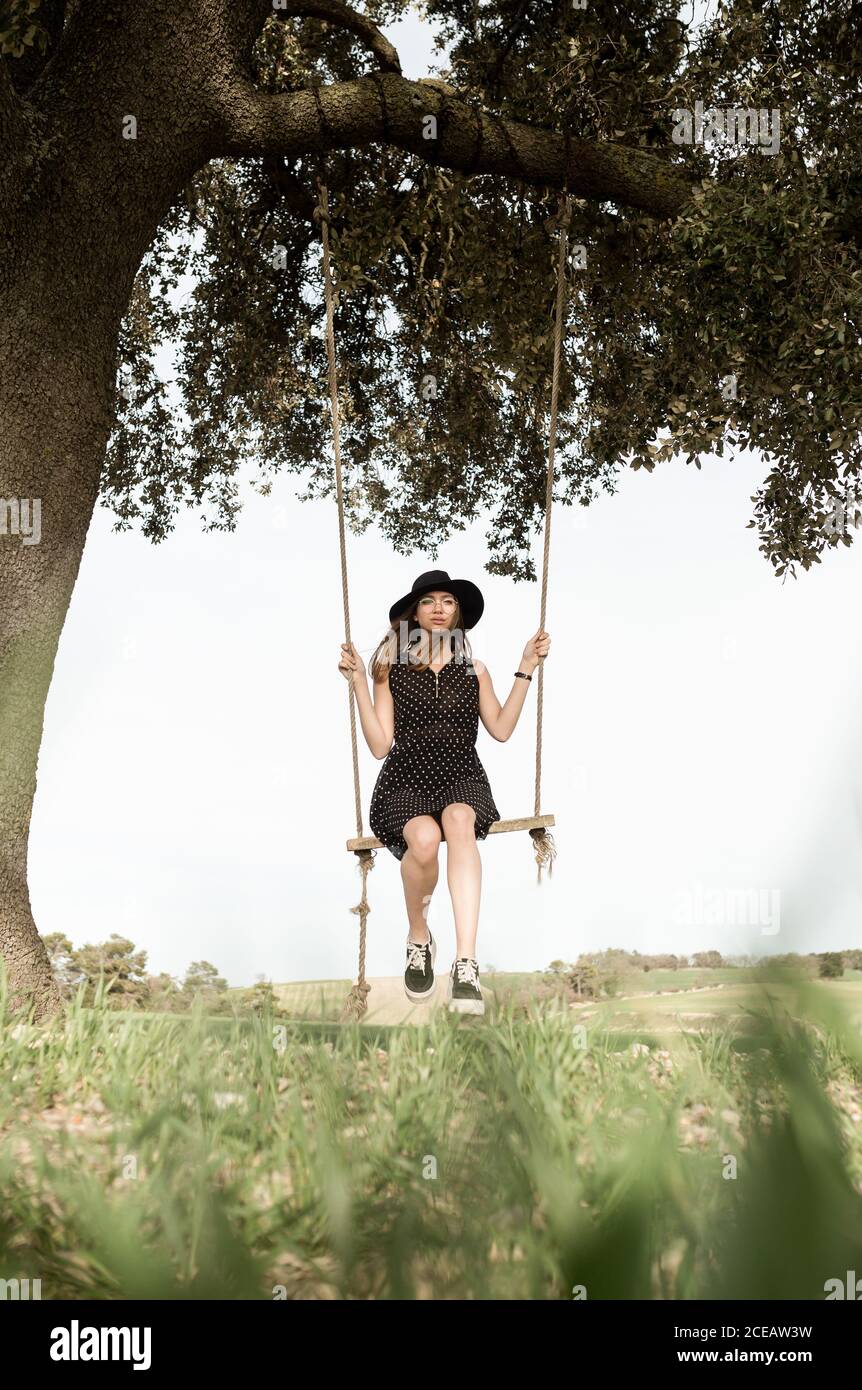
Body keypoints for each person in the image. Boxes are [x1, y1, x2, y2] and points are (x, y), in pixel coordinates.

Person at [337, 568, 551, 1016]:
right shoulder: (389, 670)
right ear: (415, 612)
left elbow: (502, 729)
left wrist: (525, 669)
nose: (439, 608)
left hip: (460, 774)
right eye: (430, 600)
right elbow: (379, 746)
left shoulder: (474, 671)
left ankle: (466, 963)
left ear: (458, 615)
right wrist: (358, 683)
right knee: (424, 840)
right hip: (406, 778)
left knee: (459, 820)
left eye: (448, 601)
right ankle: (419, 937)